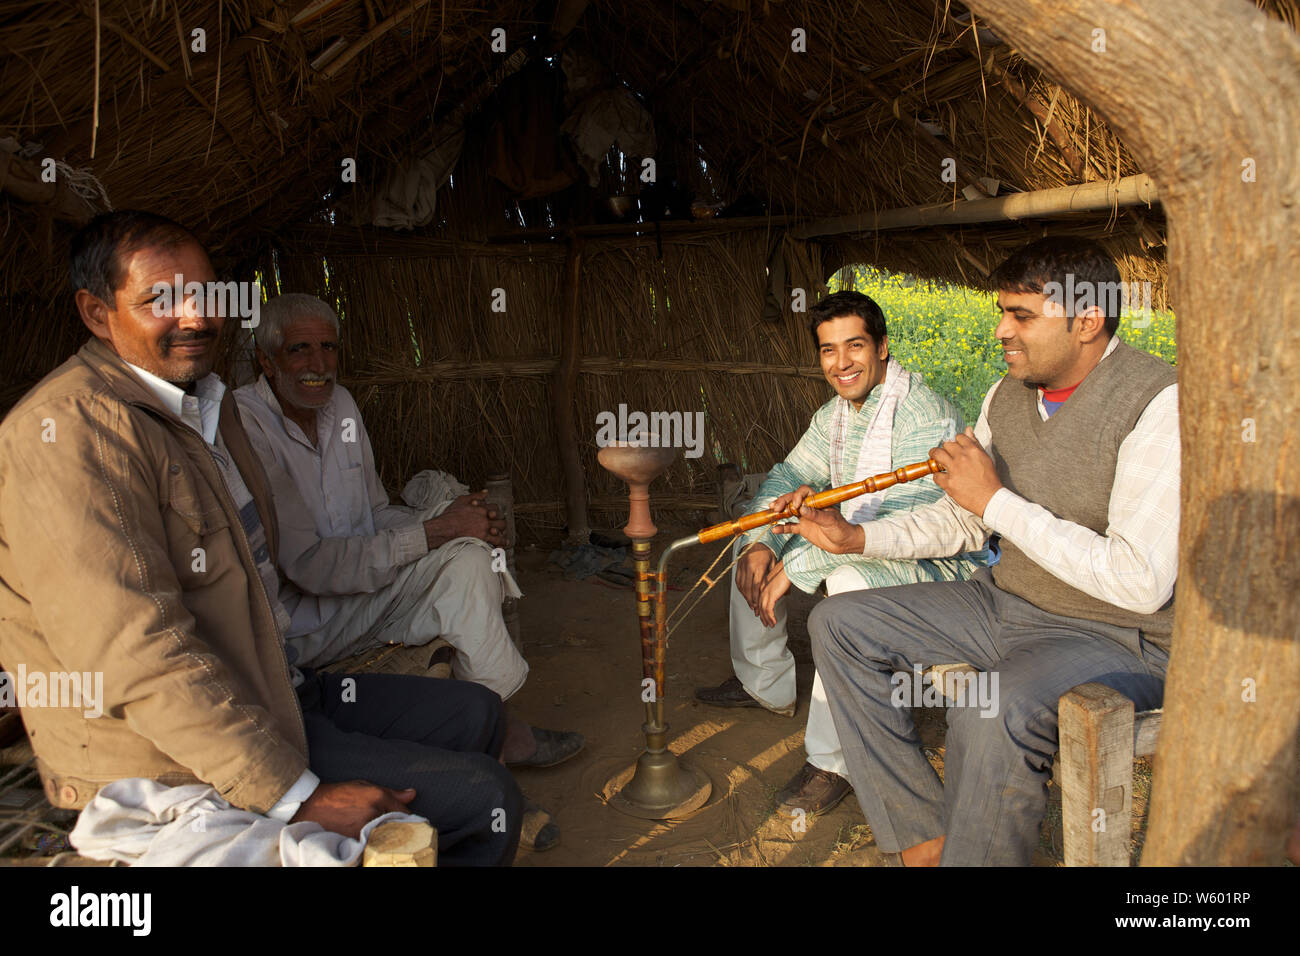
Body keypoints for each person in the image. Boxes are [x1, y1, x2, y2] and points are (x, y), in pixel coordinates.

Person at [0, 210, 521, 865]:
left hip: (274, 682)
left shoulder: (202, 408)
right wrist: (297, 797)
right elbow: (139, 657)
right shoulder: (71, 437)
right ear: (97, 313)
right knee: (488, 795)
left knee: (479, 713)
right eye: (162, 298)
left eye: (206, 294)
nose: (195, 315)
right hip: (174, 756)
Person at [778, 237, 1178, 865]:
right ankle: (923, 838)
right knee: (839, 623)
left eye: (1021, 315)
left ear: (1087, 320)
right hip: (1006, 603)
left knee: (991, 709)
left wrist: (997, 503)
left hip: (1118, 635)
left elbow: (1140, 580)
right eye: (1002, 312)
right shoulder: (1006, 395)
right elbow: (965, 521)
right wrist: (856, 538)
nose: (1000, 330)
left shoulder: (1159, 404)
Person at [233, 294, 584, 774]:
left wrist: (454, 518)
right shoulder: (245, 426)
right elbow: (309, 564)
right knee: (456, 547)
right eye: (300, 350)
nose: (318, 365)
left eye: (329, 348)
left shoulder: (342, 407)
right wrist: (437, 530)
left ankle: (497, 728)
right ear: (266, 360)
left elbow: (374, 512)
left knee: (471, 556)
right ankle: (496, 746)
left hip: (364, 595)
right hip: (306, 625)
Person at [694, 291, 987, 817]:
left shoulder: (926, 414)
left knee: (847, 588)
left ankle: (834, 762)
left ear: (882, 347)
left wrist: (798, 564)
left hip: (937, 564)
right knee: (753, 533)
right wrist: (764, 541)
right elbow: (788, 476)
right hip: (861, 537)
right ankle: (766, 687)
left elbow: (904, 530)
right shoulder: (835, 414)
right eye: (828, 350)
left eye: (854, 346)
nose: (841, 362)